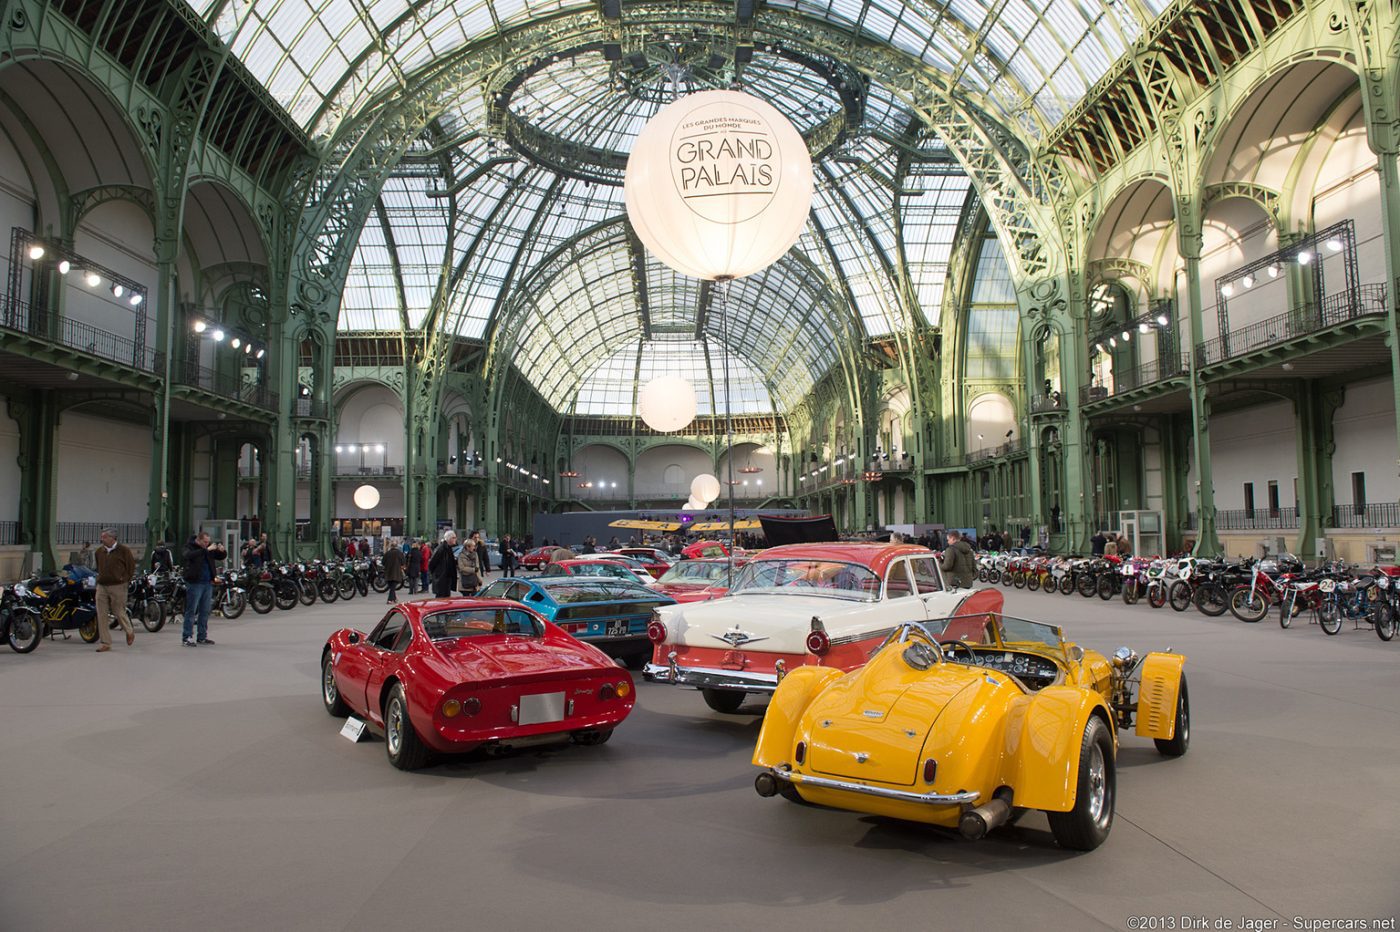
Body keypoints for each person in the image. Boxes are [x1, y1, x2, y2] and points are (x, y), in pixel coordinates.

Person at [94, 527, 137, 652]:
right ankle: (105, 643)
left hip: (118, 585)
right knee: (101, 614)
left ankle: (129, 631)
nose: (102, 539)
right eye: (102, 536)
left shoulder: (124, 551)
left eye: (105, 536)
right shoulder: (99, 552)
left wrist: (124, 579)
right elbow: (98, 566)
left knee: (118, 611)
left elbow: (131, 567)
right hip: (102, 585)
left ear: (113, 538)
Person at [182, 531, 225, 647]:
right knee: (191, 610)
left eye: (208, 542)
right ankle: (187, 637)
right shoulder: (190, 547)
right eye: (205, 542)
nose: (207, 544)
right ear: (199, 540)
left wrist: (222, 551)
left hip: (207, 582)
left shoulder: (207, 549)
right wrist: (206, 550)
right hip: (194, 583)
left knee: (205, 611)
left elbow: (220, 556)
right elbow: (188, 556)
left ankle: (202, 636)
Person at [427, 530, 458, 598]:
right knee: (441, 600)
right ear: (449, 538)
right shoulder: (441, 548)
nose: (455, 539)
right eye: (454, 537)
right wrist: (437, 575)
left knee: (446, 599)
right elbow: (432, 563)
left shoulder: (448, 548)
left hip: (446, 580)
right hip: (441, 580)